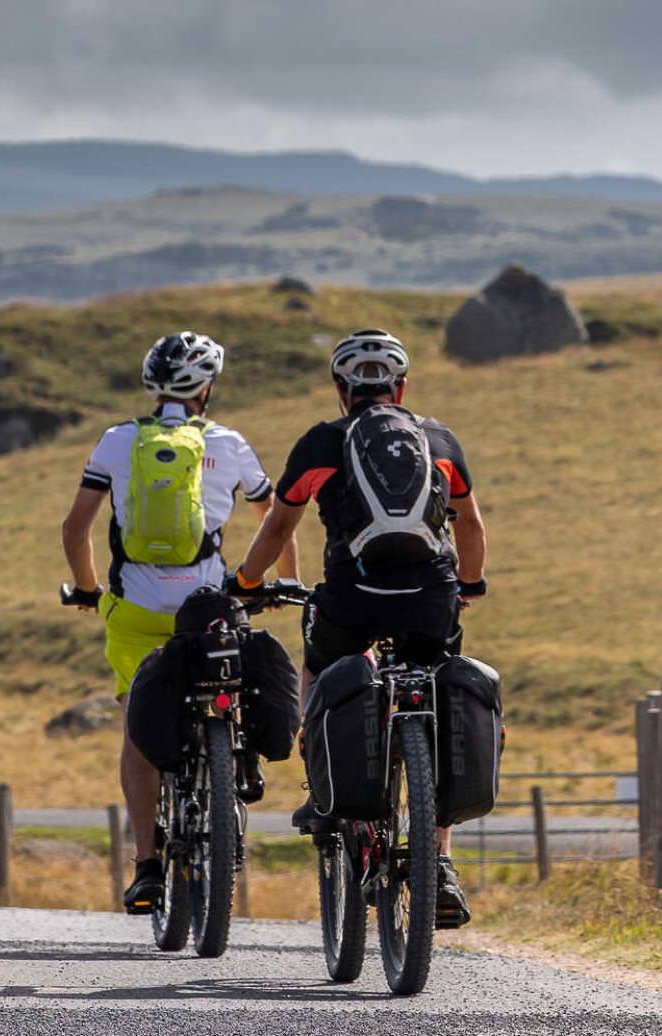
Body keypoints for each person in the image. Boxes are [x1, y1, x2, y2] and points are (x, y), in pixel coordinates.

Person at [226, 328, 489, 926]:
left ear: (340, 389)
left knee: (321, 667)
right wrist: (469, 585)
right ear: (402, 387)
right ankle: (439, 862)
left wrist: (246, 581)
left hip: (353, 598)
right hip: (430, 598)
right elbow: (470, 525)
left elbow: (278, 528)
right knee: (436, 693)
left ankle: (323, 790)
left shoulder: (321, 442)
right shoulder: (439, 439)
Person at [59, 331, 295, 915]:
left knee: (137, 729)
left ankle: (146, 865)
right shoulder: (229, 444)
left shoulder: (117, 442)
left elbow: (75, 528)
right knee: (230, 685)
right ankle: (235, 763)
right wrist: (281, 583)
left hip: (136, 613)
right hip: (206, 609)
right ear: (206, 389)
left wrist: (88, 591)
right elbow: (274, 523)